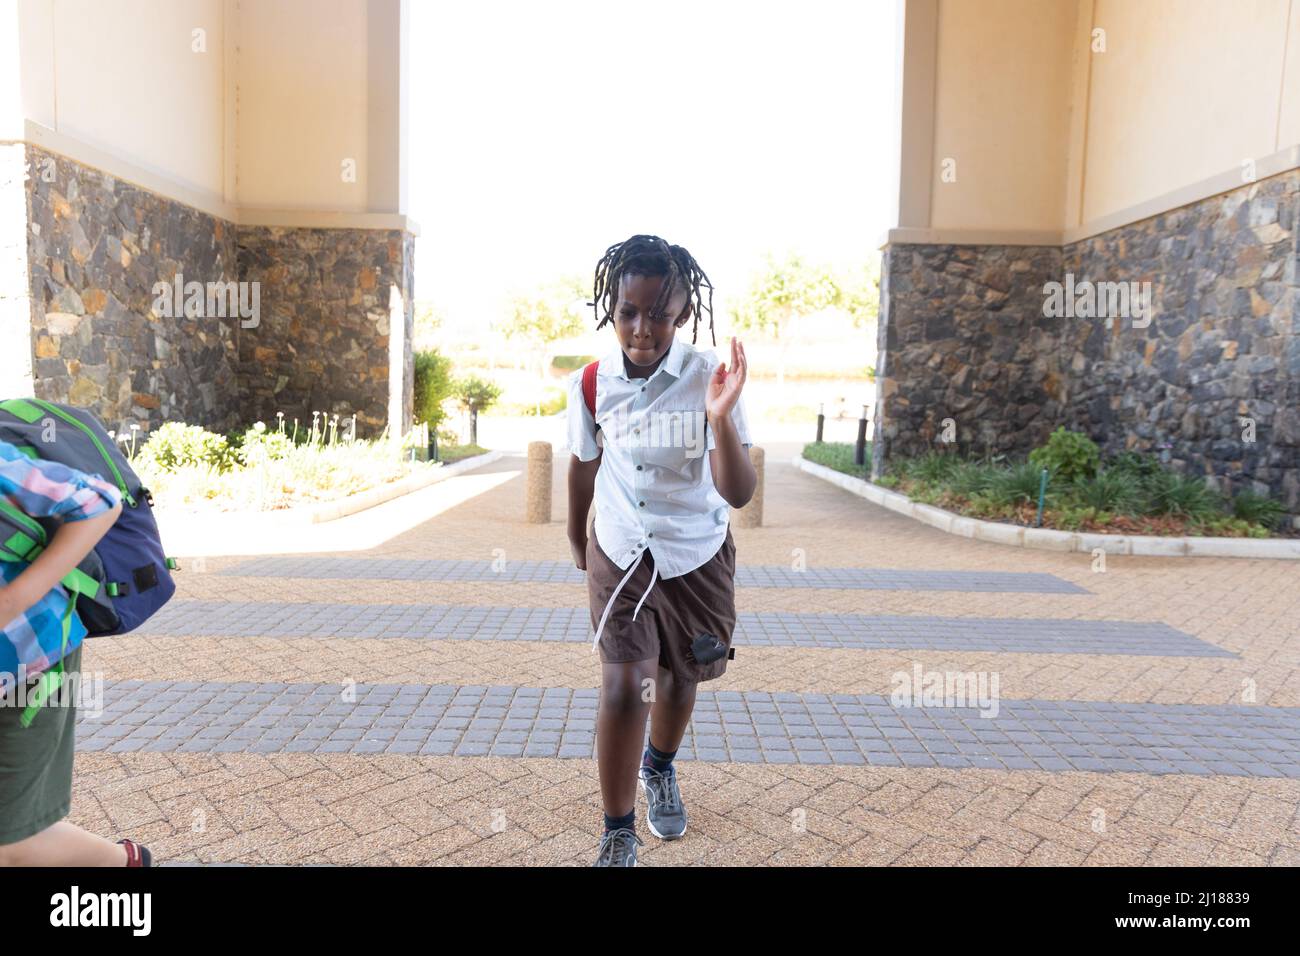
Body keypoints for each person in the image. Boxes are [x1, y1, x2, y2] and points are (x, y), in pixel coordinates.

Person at [566, 234, 756, 866]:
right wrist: (575, 535)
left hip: (695, 554)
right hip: (621, 549)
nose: (643, 327)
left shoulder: (711, 378)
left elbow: (737, 492)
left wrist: (721, 419)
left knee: (679, 679)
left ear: (681, 314)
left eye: (660, 313)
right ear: (611, 309)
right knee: (625, 686)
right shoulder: (593, 383)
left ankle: (661, 767)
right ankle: (618, 830)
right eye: (629, 311)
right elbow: (582, 464)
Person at [0, 438, 152, 866]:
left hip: (33, 661)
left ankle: (121, 863)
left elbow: (98, 502)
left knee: (11, 841)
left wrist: (13, 599)